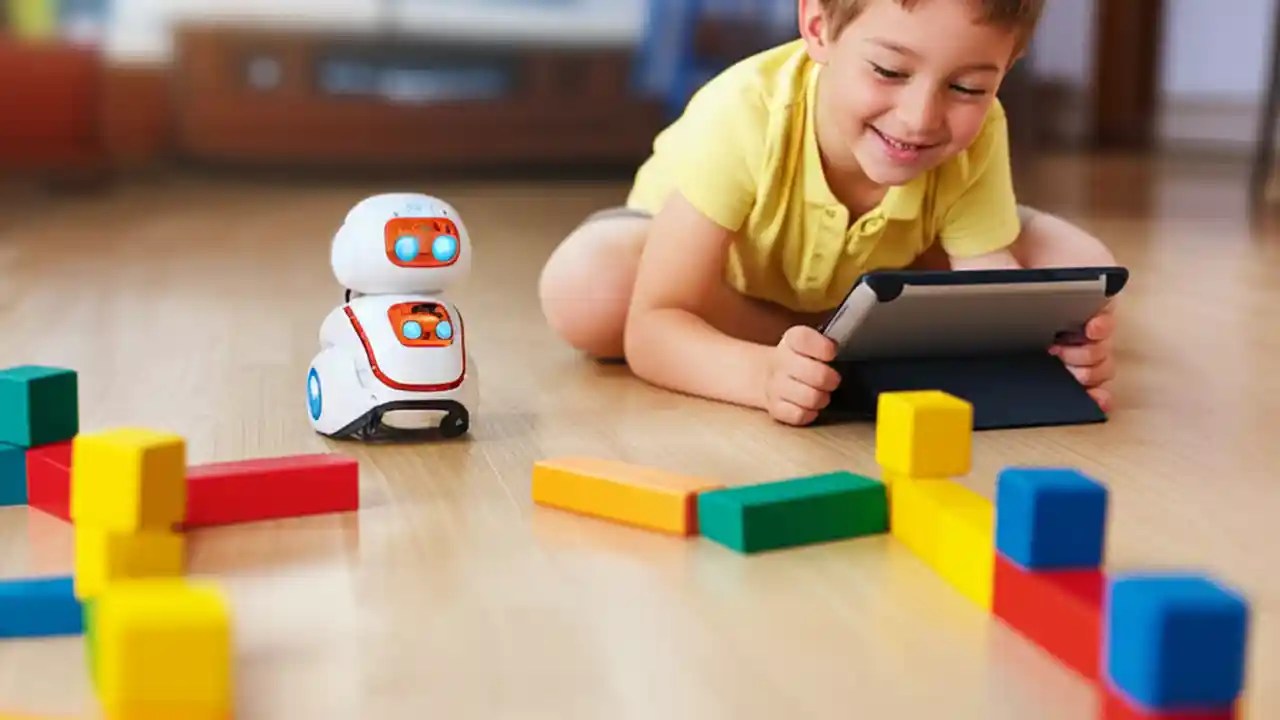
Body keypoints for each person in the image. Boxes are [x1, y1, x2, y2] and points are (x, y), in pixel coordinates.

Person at [538, 0, 1118, 426]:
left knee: (1085, 268)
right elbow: (653, 328)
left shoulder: (980, 130)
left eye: (966, 87)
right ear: (818, 27)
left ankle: (854, 335)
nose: (919, 118)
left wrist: (1045, 361)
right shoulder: (742, 113)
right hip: (726, 286)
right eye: (889, 71)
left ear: (1007, 66)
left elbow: (994, 300)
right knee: (586, 291)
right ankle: (856, 337)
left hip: (877, 272)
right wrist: (762, 376)